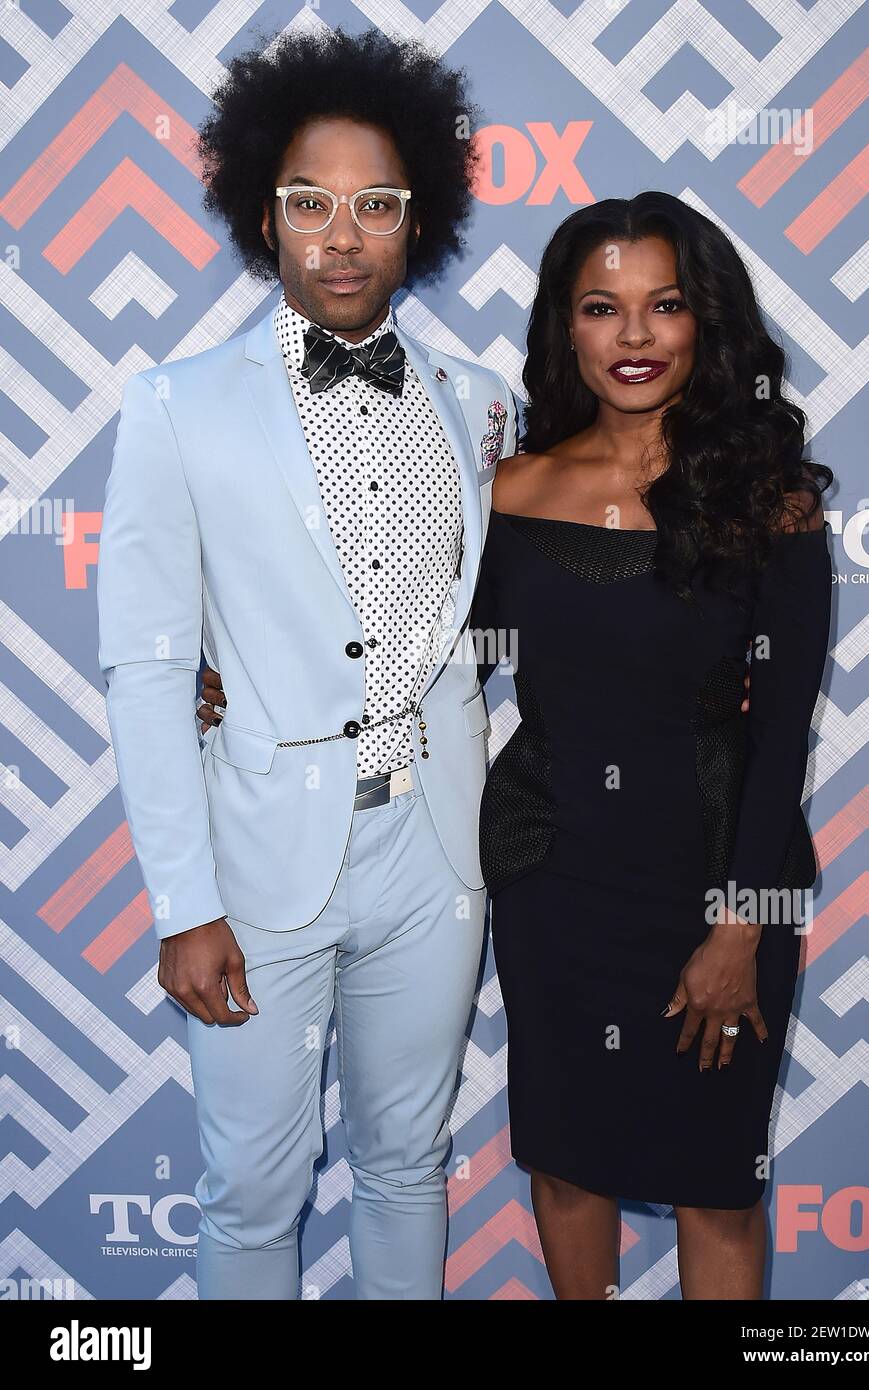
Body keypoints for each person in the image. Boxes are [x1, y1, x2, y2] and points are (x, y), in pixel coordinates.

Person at [96, 27, 516, 1301]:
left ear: (417, 220)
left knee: (405, 1162)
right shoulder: (174, 407)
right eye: (310, 203)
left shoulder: (477, 398)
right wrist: (182, 904)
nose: (343, 234)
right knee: (253, 1188)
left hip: (435, 850)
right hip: (254, 862)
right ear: (261, 216)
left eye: (376, 205)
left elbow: (531, 590)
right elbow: (149, 667)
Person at [473, 193, 834, 1299]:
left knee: (716, 1184)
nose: (633, 337)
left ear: (704, 322)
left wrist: (736, 923)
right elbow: (440, 658)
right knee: (566, 1161)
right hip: (555, 874)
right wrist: (226, 682)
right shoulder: (512, 492)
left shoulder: (764, 499)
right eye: (601, 308)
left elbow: (780, 734)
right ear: (563, 329)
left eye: (663, 306)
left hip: (721, 881)